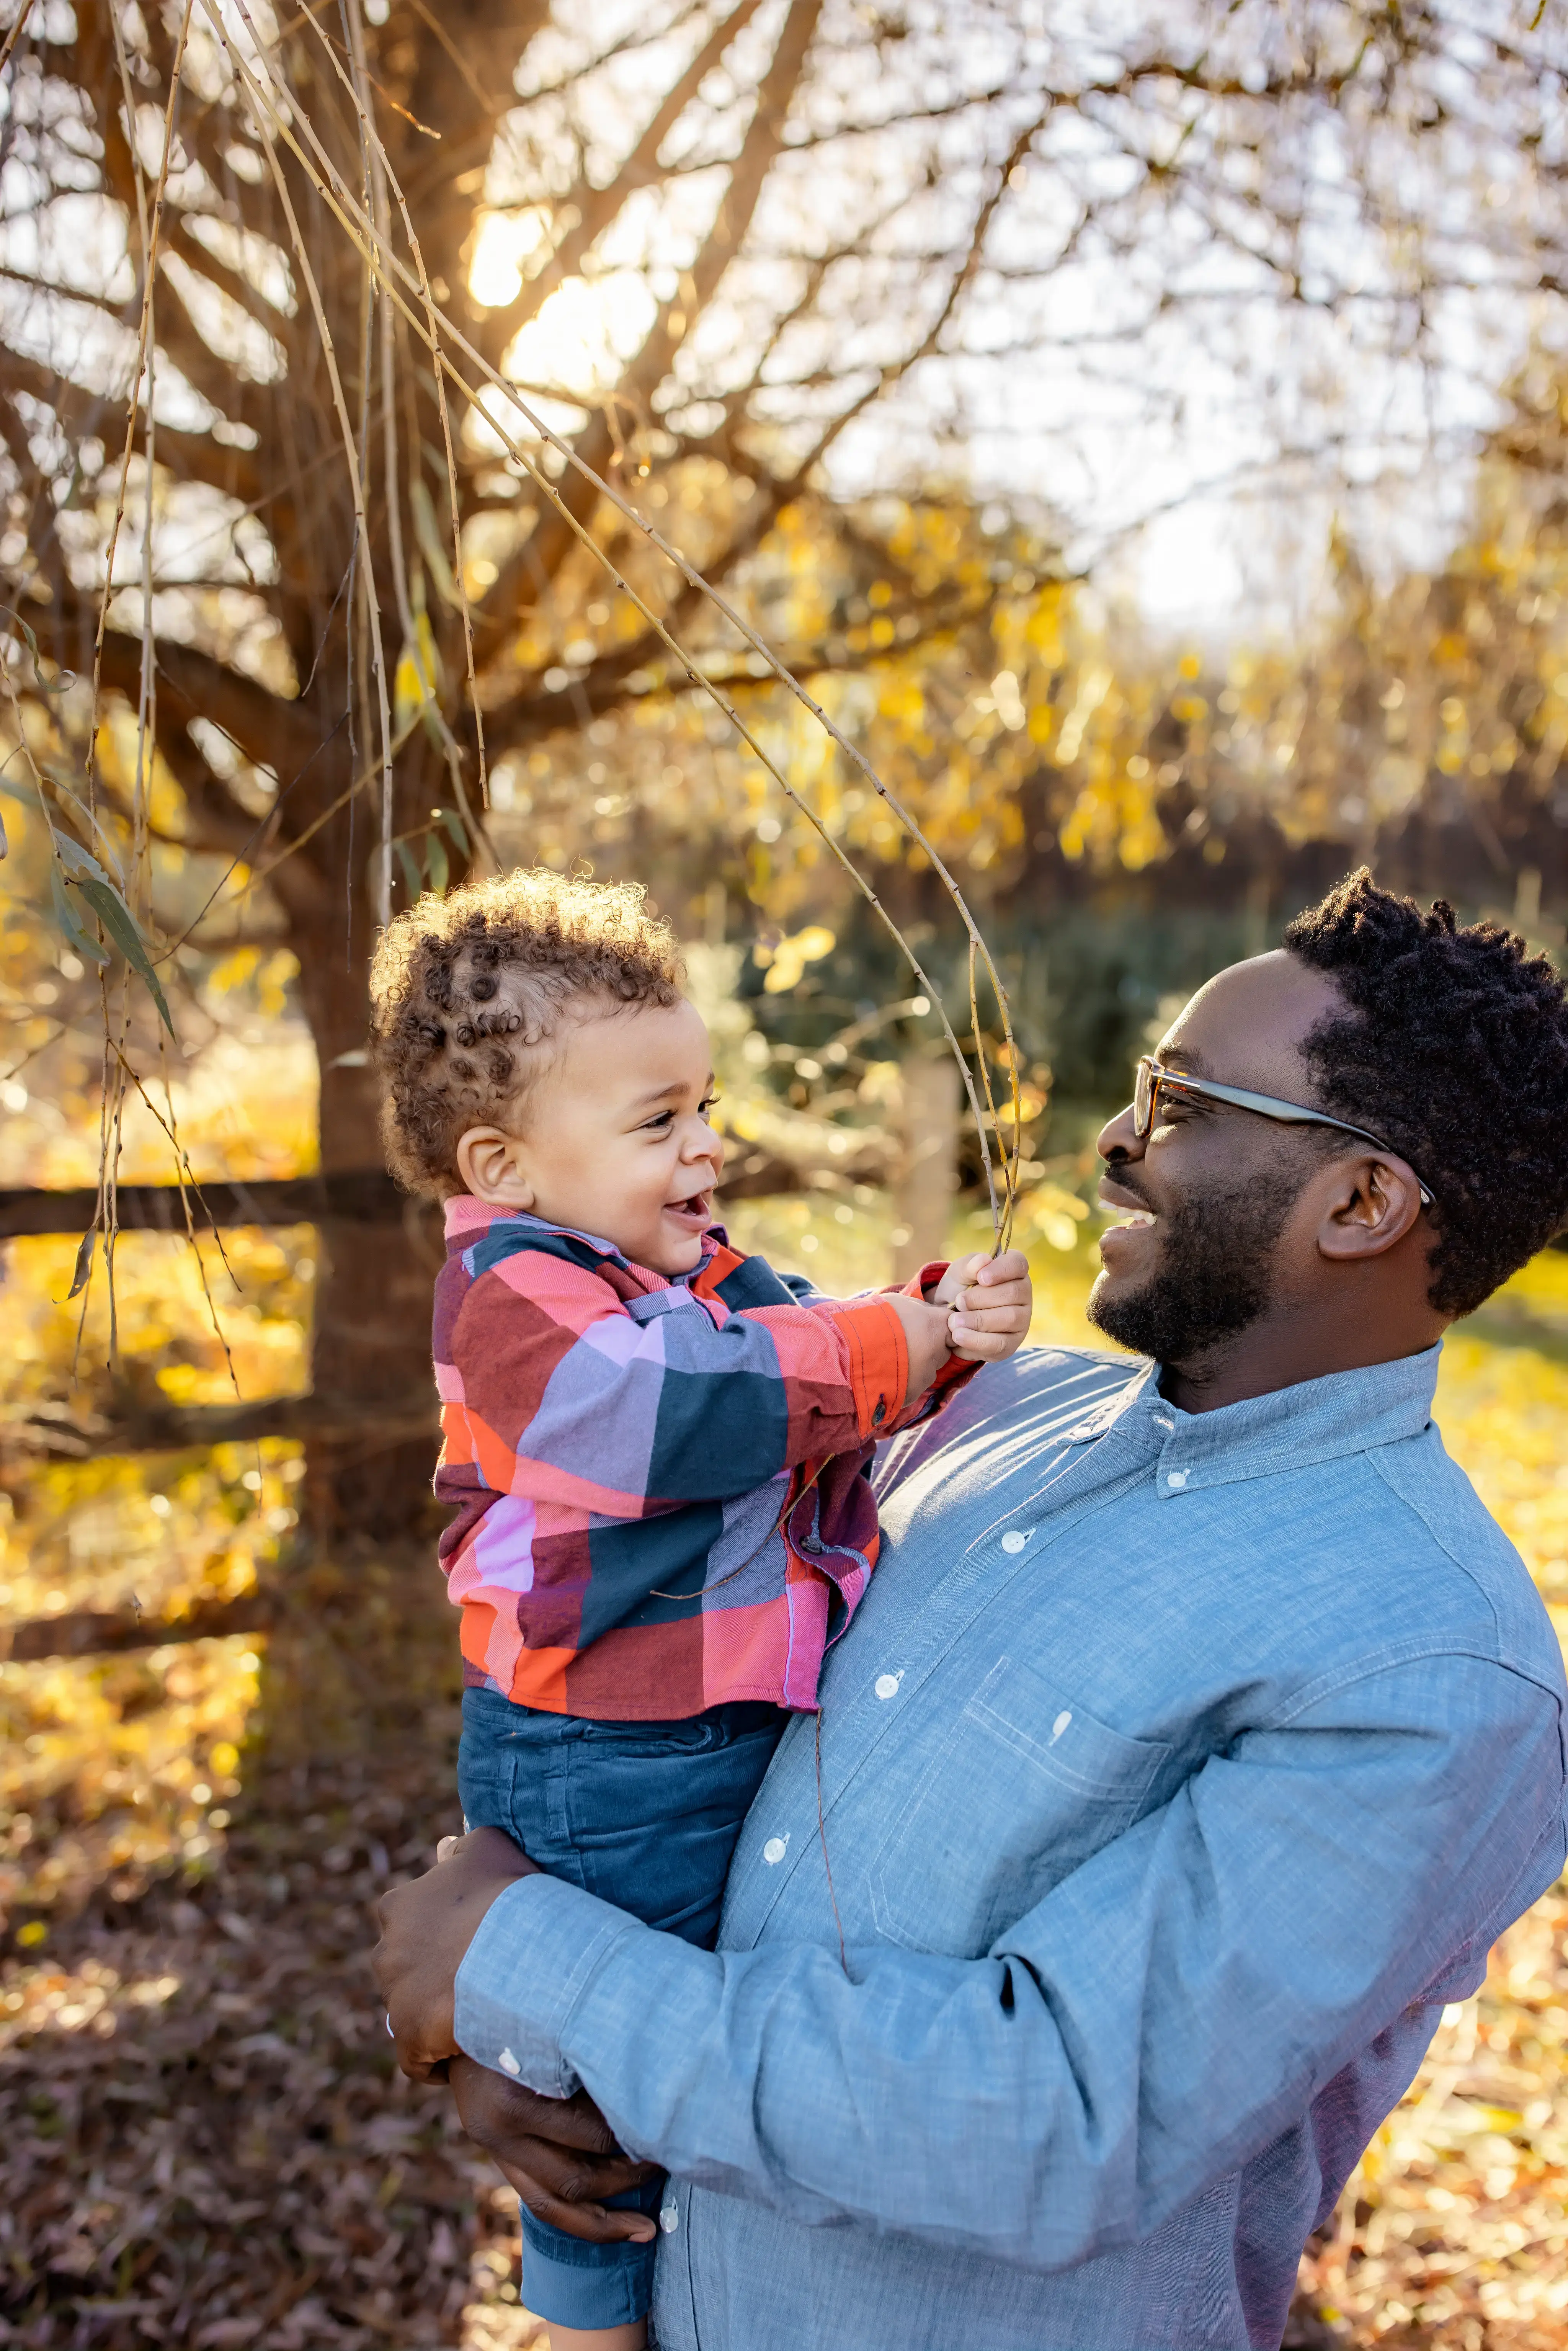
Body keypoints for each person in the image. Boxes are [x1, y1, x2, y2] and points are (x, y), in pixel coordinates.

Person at [376, 871, 1568, 2351]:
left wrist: (530, 1963)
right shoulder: (988, 1420)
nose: (1118, 1139)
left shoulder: (1432, 1662)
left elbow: (1053, 2118)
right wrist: (525, 2044)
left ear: (1364, 1200)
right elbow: (639, 1649)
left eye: (1181, 1102)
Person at [366, 868, 1033, 2351]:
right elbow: (670, 1412)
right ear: (508, 1159)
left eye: (705, 1105)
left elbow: (819, 1368)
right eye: (658, 1120)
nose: (707, 1146)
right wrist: (886, 1345)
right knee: (596, 2067)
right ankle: (590, 2322)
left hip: (698, 1731)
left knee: (695, 2024)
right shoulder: (515, 1290)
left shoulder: (694, 1266)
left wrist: (937, 1323)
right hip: (603, 1752)